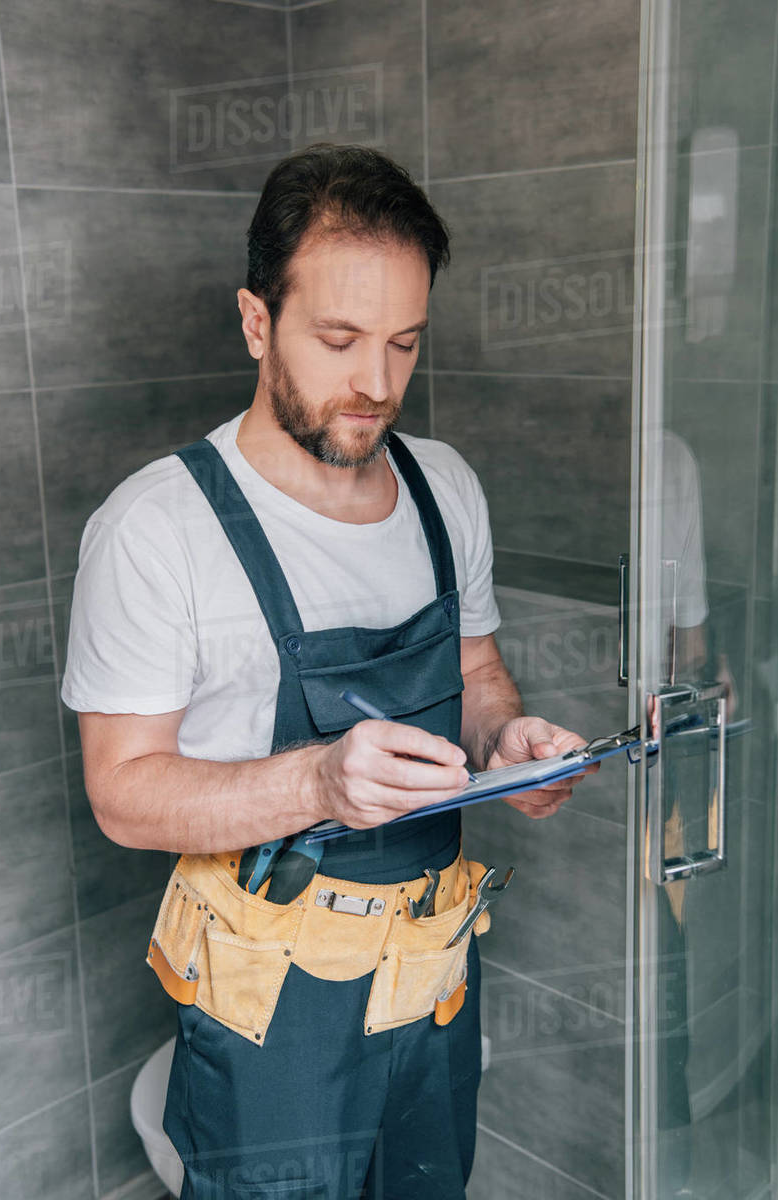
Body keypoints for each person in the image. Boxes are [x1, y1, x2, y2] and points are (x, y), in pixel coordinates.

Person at [61, 142, 596, 1200]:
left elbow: (478, 671)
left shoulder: (445, 486)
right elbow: (123, 793)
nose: (378, 384)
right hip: (268, 1004)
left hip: (433, 974)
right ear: (258, 321)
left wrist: (509, 745)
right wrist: (317, 783)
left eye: (404, 343)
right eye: (340, 339)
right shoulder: (156, 529)